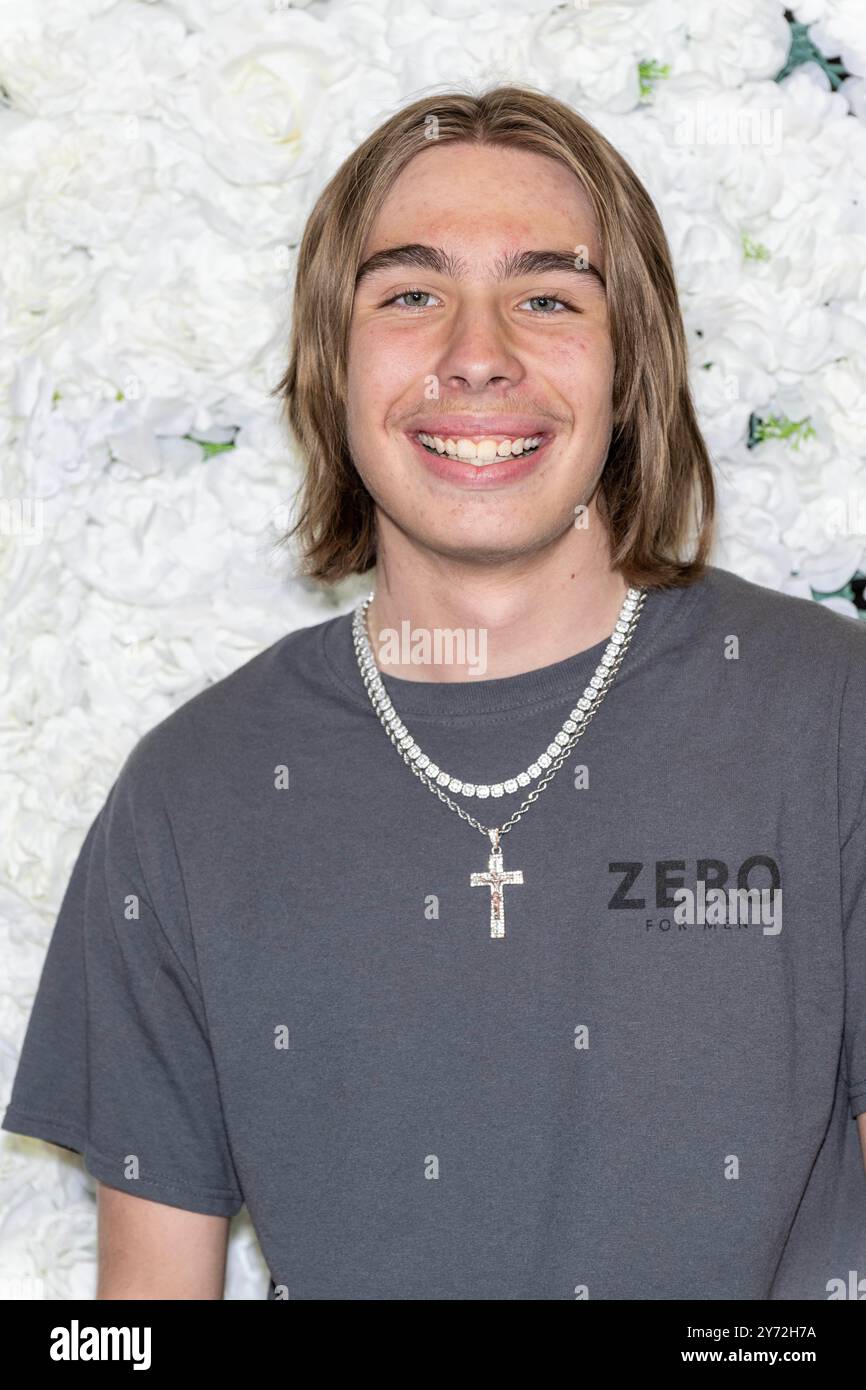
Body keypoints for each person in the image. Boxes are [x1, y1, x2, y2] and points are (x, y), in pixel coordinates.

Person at [3, 84, 866, 1302]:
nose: (476, 355)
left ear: (632, 369)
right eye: (410, 295)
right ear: (329, 363)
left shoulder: (834, 725)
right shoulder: (190, 798)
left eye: (547, 297)